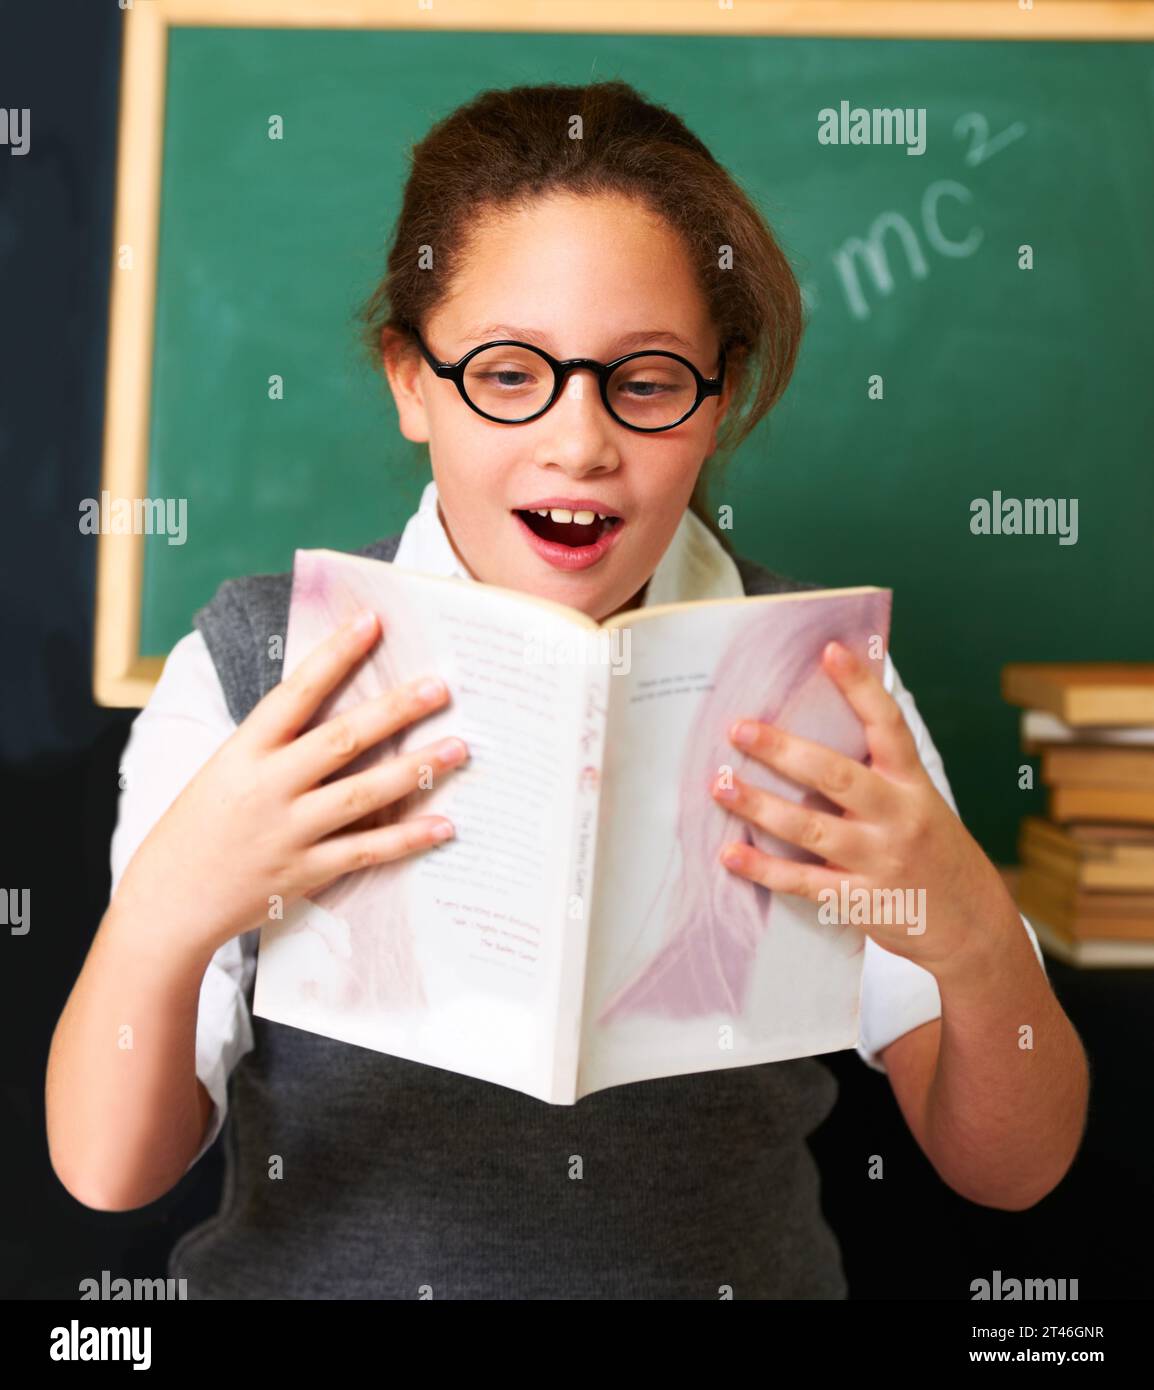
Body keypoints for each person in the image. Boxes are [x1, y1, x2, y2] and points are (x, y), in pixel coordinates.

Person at [46, 79, 1088, 1299]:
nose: (580, 440)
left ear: (719, 393)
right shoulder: (254, 667)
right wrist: (166, 914)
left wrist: (971, 939)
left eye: (645, 382)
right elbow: (110, 1169)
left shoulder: (828, 687)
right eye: (506, 372)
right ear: (410, 377)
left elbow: (1009, 1170)